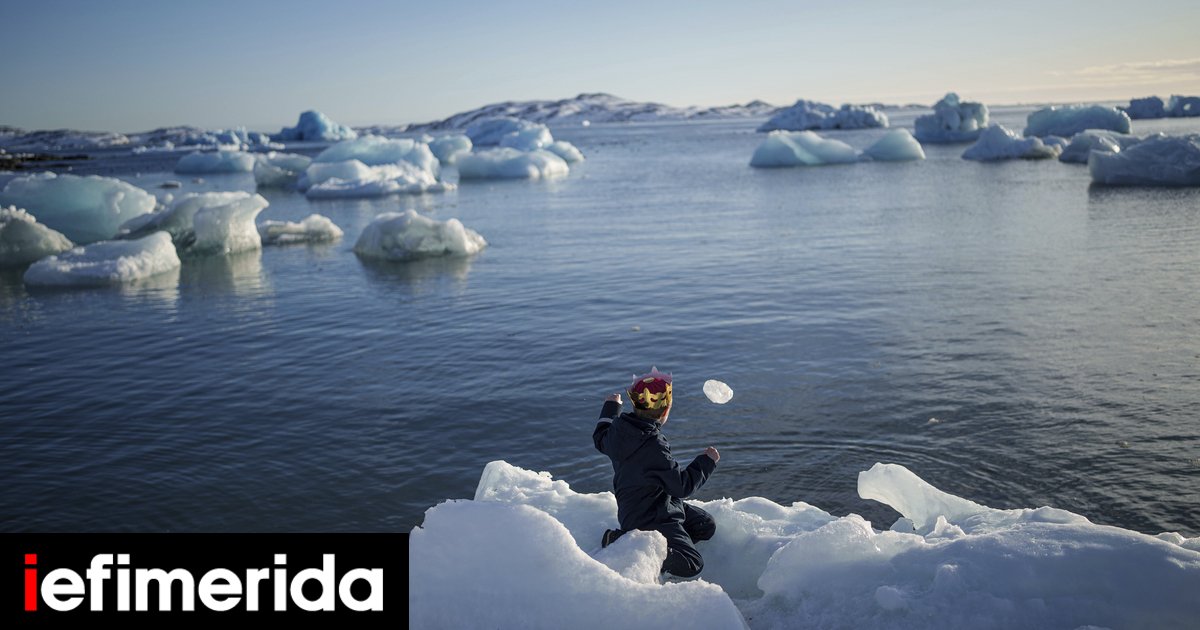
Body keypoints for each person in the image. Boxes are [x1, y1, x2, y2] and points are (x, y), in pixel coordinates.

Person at [592, 367, 720, 578]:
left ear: (634, 404)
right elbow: (682, 486)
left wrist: (611, 407)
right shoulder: (653, 446)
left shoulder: (618, 431)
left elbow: (600, 437)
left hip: (652, 504)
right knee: (692, 563)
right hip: (651, 517)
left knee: (705, 525)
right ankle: (623, 541)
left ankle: (668, 545)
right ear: (666, 410)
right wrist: (706, 462)